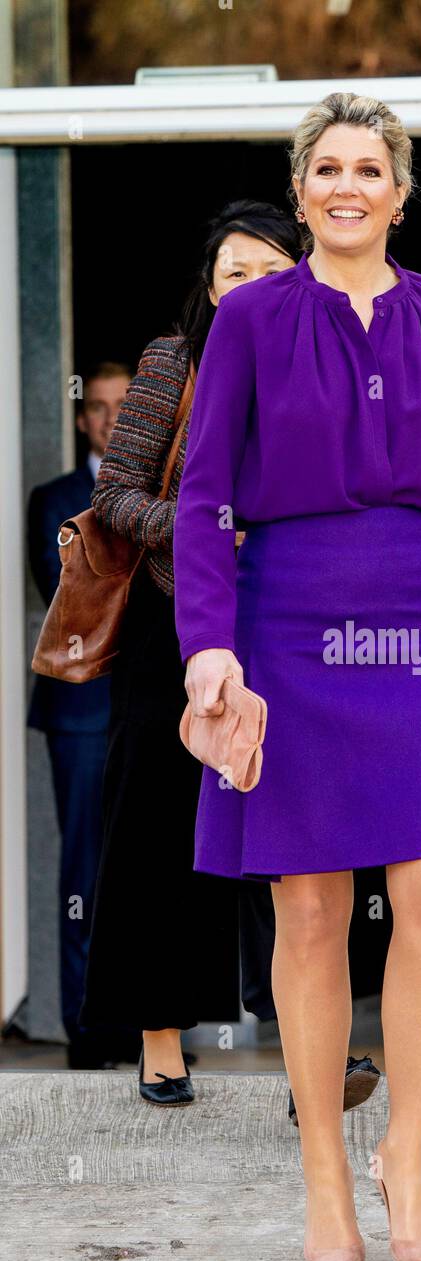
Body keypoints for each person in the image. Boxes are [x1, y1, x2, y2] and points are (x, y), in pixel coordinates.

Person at [172, 92, 421, 1261]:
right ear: (300, 188)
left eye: (367, 168)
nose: (345, 185)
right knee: (311, 907)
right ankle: (325, 1172)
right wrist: (208, 643)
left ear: (398, 190)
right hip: (288, 619)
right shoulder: (253, 321)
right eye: (324, 167)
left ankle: (407, 1161)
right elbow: (205, 489)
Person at [78, 202, 302, 1102]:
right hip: (172, 633)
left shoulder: (328, 363)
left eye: (268, 268)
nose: (249, 284)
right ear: (208, 290)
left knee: (294, 845)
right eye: (231, 271)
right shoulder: (177, 360)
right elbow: (115, 494)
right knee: (156, 836)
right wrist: (209, 533)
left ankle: (308, 1056)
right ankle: (162, 1040)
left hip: (288, 632)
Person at [27, 361, 141, 1069]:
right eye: (95, 408)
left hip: (151, 706)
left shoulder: (168, 488)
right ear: (81, 419)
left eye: (121, 404)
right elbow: (68, 589)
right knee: (84, 874)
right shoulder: (55, 499)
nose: (107, 417)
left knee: (143, 870)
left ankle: (144, 1021)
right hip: (80, 712)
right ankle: (85, 1029)